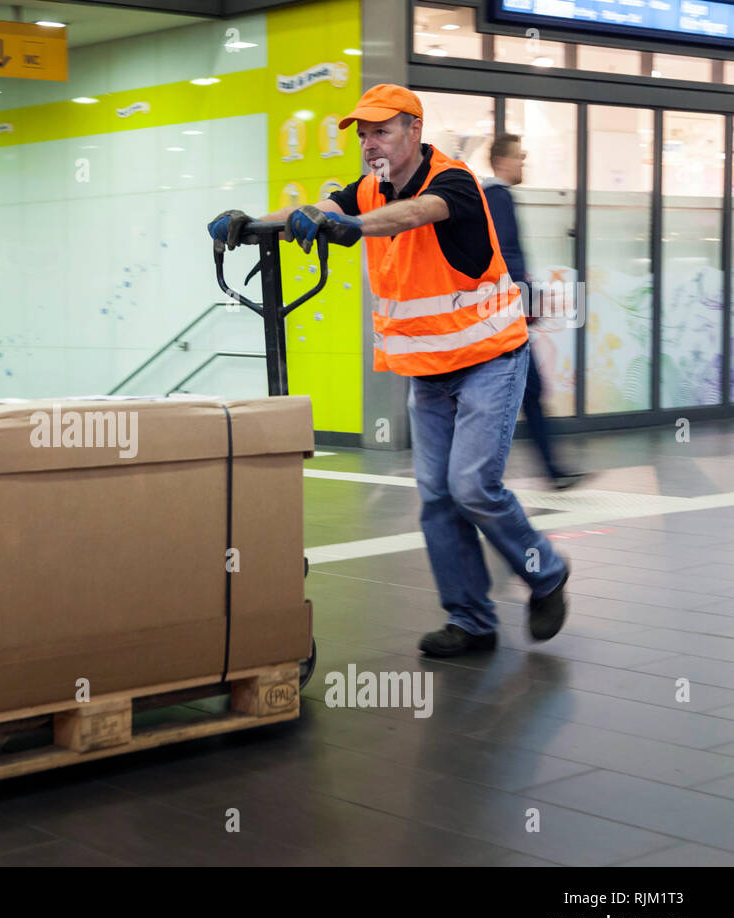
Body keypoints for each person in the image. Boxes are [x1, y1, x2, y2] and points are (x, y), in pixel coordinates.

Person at [208, 84, 570, 657]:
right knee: (435, 495)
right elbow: (320, 210)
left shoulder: (452, 182)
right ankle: (472, 619)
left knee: (472, 485)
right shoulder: (369, 189)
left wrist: (356, 226)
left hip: (490, 360)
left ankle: (544, 571)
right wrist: (254, 222)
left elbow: (415, 214)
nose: (369, 144)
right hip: (428, 369)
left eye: (381, 131)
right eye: (363, 135)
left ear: (414, 132)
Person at [482, 133, 586, 491]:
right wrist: (526, 302)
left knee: (527, 392)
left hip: (503, 312)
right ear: (501, 160)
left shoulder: (494, 196)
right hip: (507, 316)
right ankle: (547, 471)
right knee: (525, 392)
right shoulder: (497, 196)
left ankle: (553, 470)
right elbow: (506, 255)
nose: (523, 162)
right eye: (519, 156)